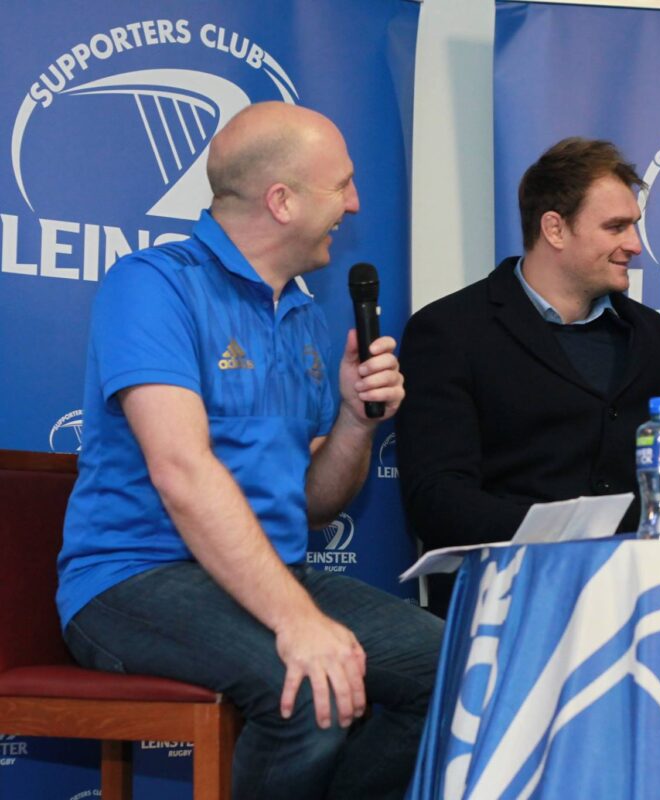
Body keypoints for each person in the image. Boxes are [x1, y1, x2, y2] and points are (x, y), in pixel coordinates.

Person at [57, 102, 444, 800]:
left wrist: (356, 422)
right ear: (282, 200)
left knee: (452, 668)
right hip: (135, 579)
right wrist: (297, 623)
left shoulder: (302, 311)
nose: (355, 205)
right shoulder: (152, 285)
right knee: (308, 693)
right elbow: (182, 473)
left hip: (270, 573)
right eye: (343, 186)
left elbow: (317, 504)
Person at [396, 137, 660, 615]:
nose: (634, 246)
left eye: (633, 227)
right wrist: (565, 535)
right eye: (615, 227)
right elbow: (437, 500)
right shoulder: (450, 331)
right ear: (555, 229)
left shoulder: (658, 339)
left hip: (642, 605)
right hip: (504, 609)